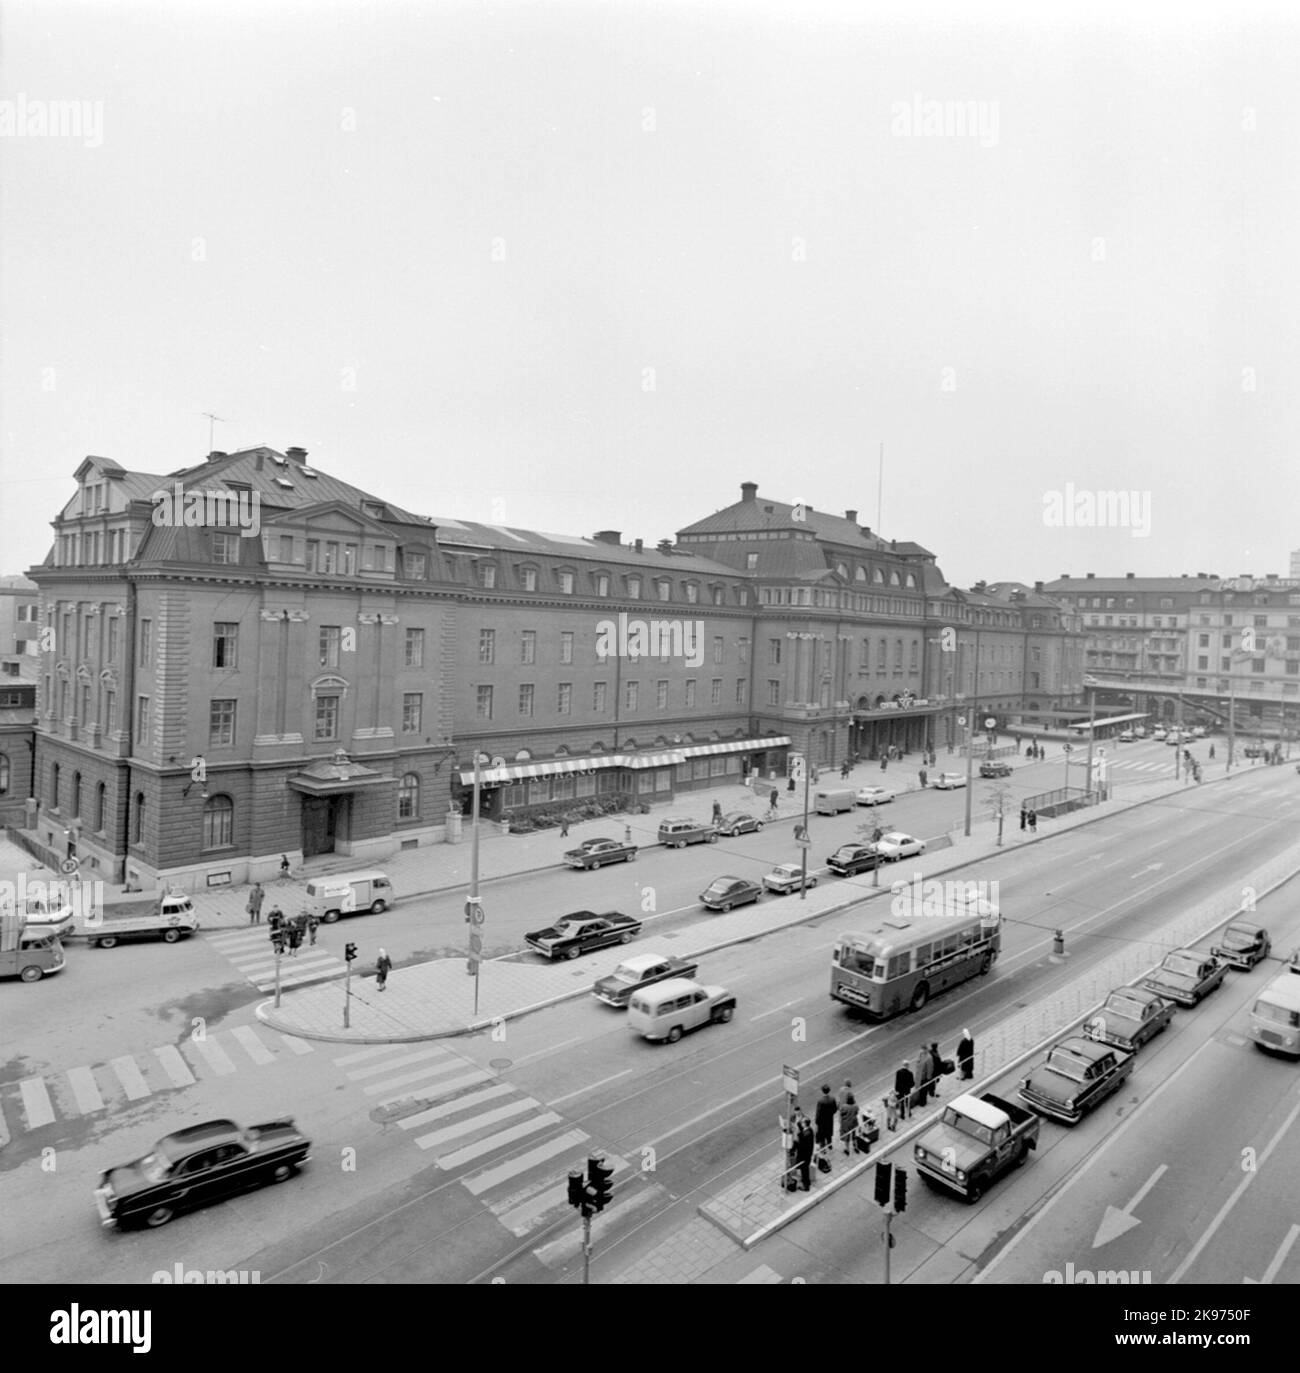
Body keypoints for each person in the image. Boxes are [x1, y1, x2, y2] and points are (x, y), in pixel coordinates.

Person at [814, 1084, 837, 1156]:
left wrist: (817, 1122)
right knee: (829, 1133)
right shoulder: (832, 1099)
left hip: (822, 1122)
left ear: (822, 1091)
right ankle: (830, 1145)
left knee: (822, 1136)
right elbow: (835, 1109)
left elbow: (818, 1113)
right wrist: (830, 1114)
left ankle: (823, 1149)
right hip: (829, 1119)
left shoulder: (820, 1101)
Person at [794, 1117, 816, 1191]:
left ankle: (806, 1186)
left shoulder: (807, 1134)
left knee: (804, 1171)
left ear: (805, 1124)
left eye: (802, 1122)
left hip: (804, 1156)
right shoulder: (809, 1130)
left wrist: (796, 1142)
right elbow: (800, 1126)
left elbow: (801, 1145)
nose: (801, 1123)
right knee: (805, 1170)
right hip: (806, 1155)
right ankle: (807, 1182)